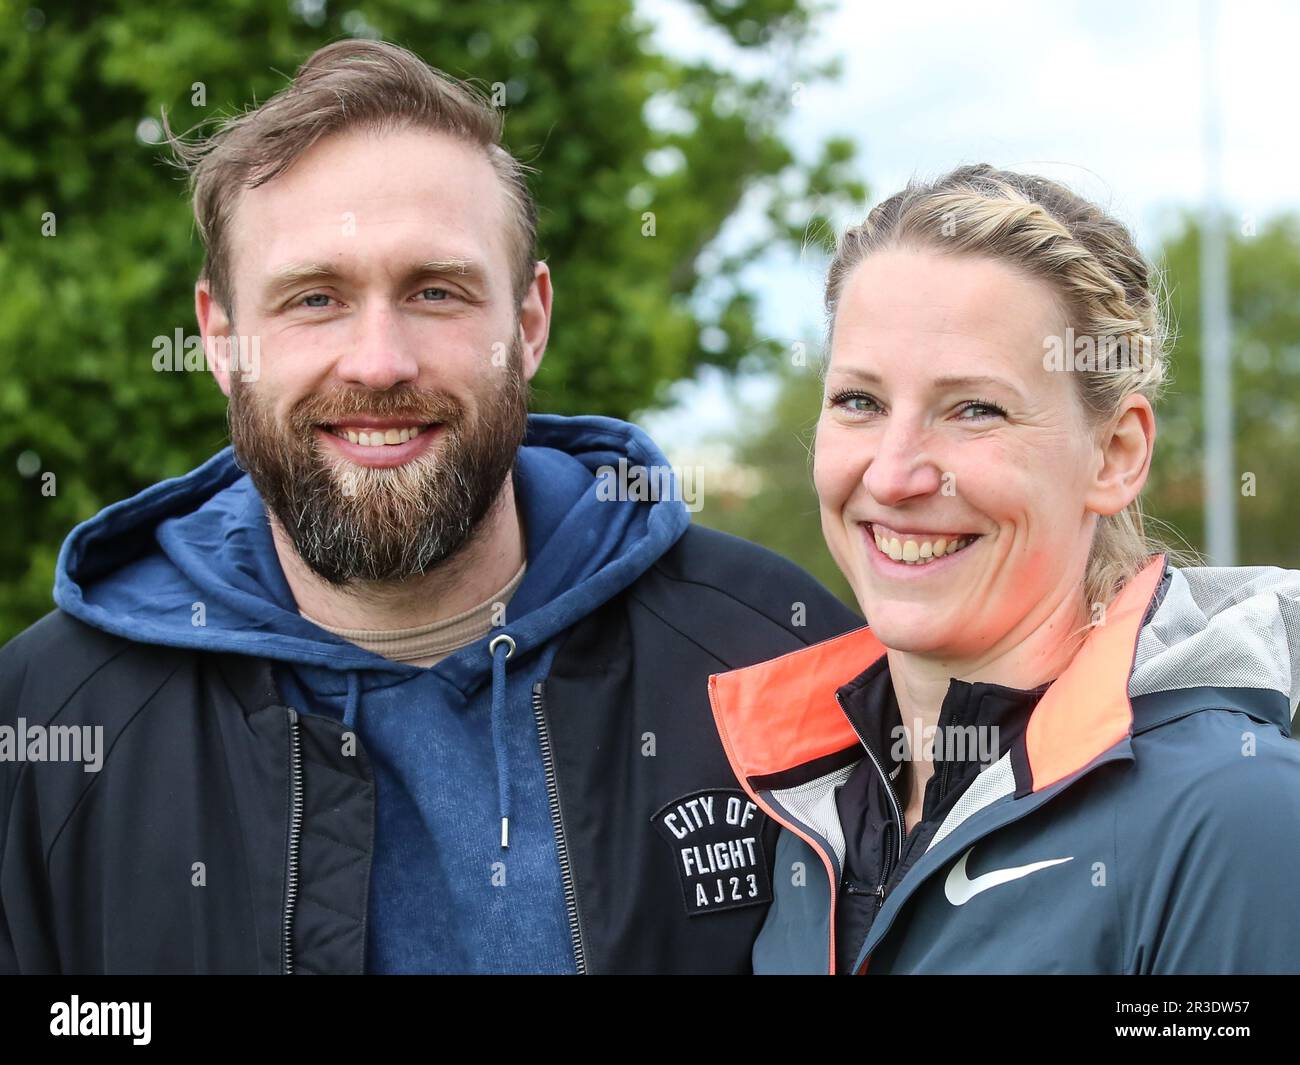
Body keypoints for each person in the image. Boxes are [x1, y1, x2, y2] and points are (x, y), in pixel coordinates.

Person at [0, 39, 862, 975]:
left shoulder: (783, 653)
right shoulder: (48, 725)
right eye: (315, 297)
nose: (379, 362)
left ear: (527, 324)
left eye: (436, 291)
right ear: (220, 338)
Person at [708, 164, 1300, 974]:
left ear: (1115, 454)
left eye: (974, 409)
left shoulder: (1239, 817)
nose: (892, 474)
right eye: (860, 402)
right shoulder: (806, 802)